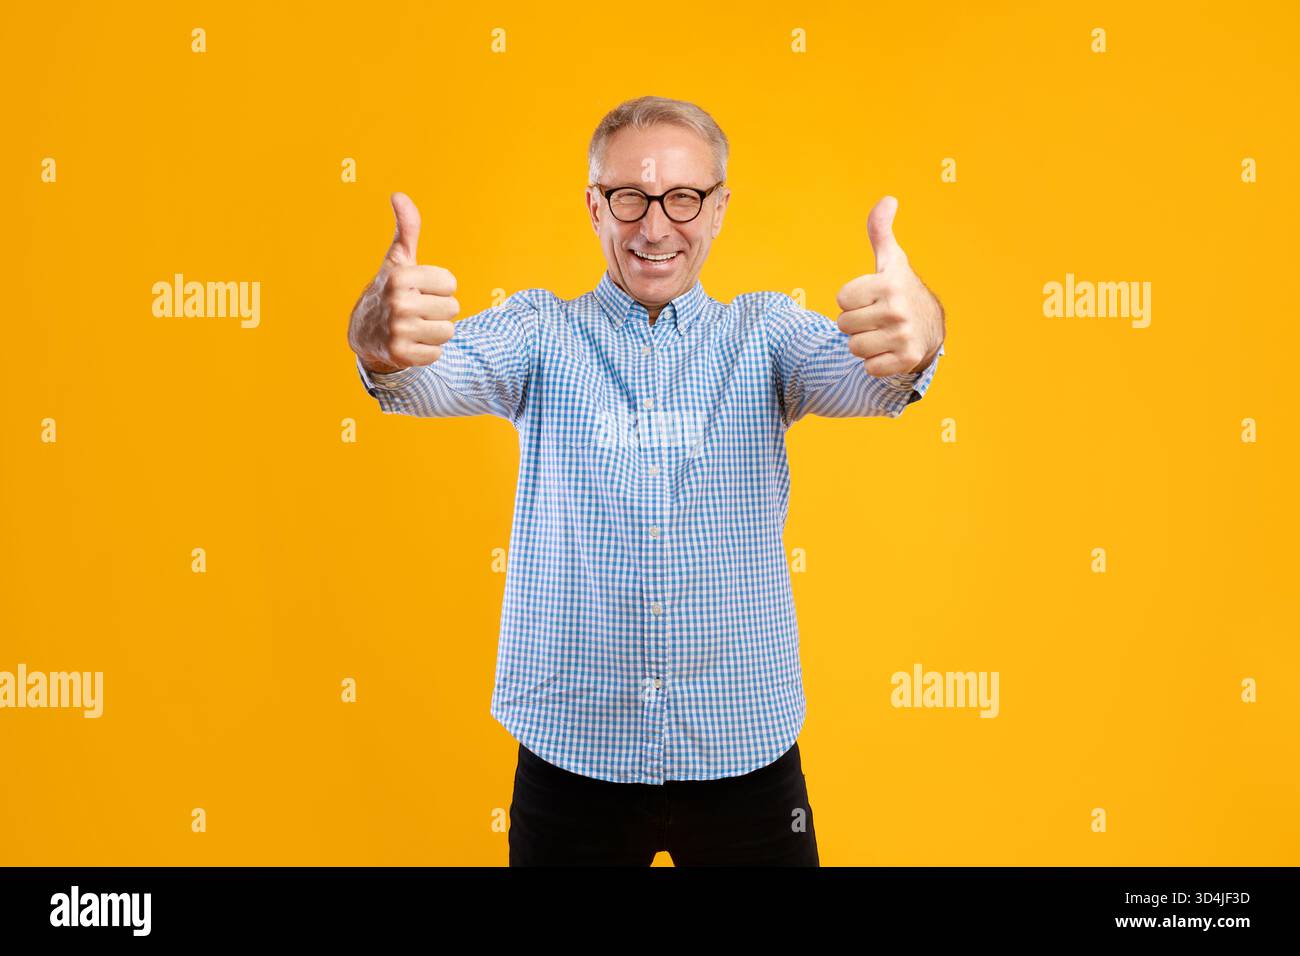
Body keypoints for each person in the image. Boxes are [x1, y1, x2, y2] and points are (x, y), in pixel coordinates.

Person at [346, 95, 946, 865]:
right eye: (629, 197)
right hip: (572, 758)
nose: (655, 226)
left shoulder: (766, 335)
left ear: (720, 207)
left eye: (683, 198)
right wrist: (379, 334)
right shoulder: (536, 330)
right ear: (595, 207)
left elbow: (878, 378)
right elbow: (420, 378)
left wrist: (919, 332)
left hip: (744, 752)